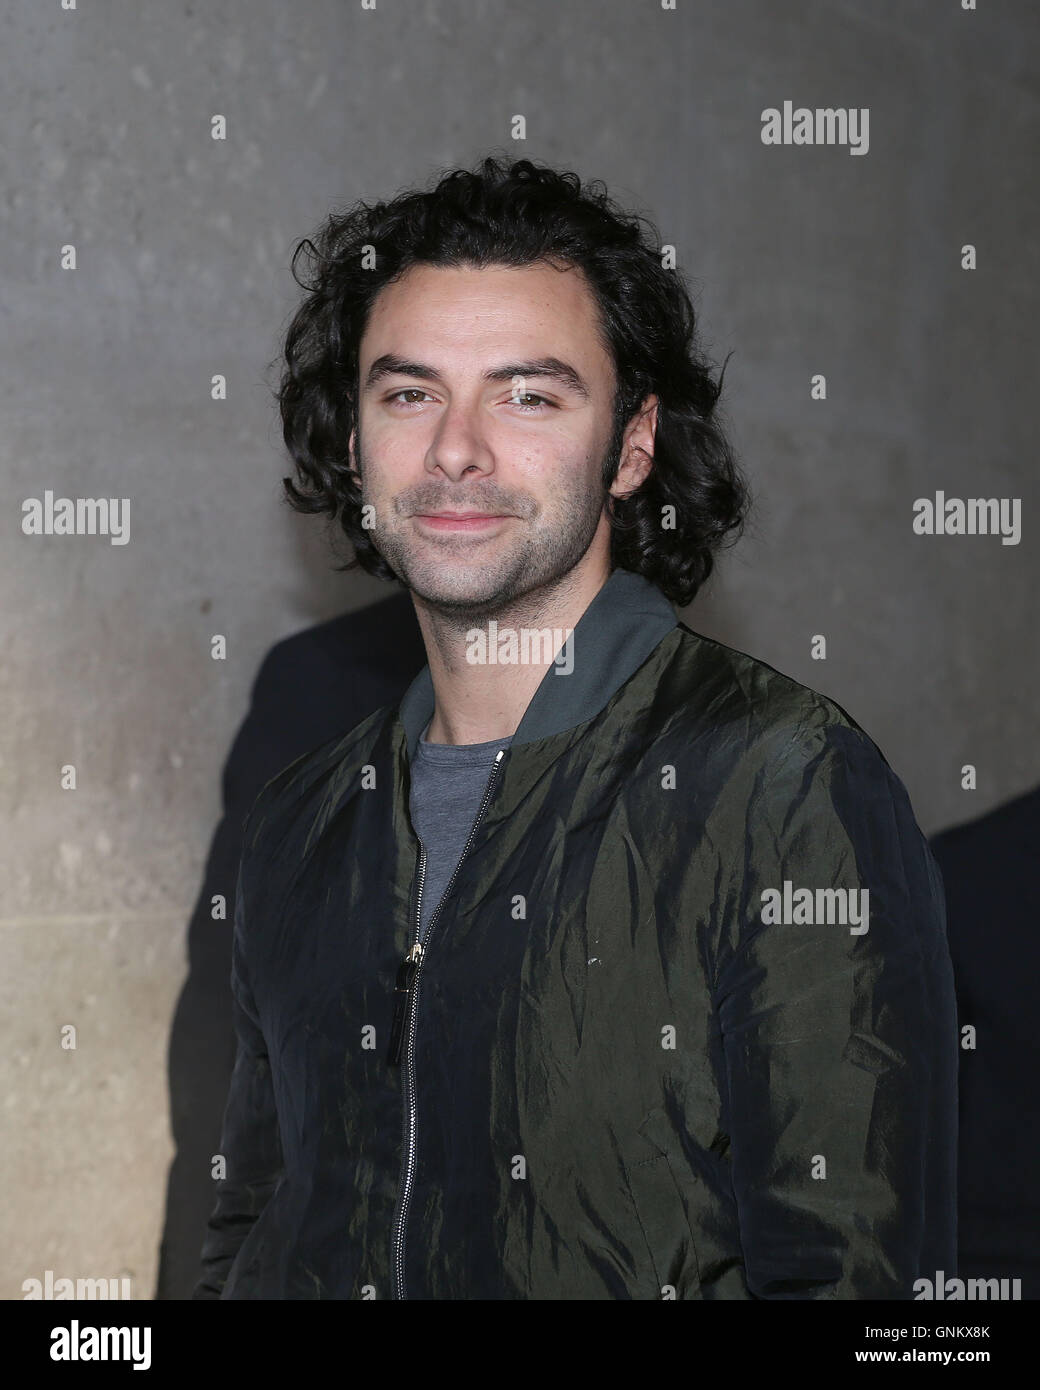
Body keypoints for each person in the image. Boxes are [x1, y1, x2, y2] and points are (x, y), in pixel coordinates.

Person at [193, 154, 957, 1300]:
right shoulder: (302, 823)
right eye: (408, 393)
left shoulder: (778, 783)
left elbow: (853, 1283)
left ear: (633, 444)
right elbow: (251, 1229)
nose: (456, 449)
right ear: (351, 443)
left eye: (527, 394)